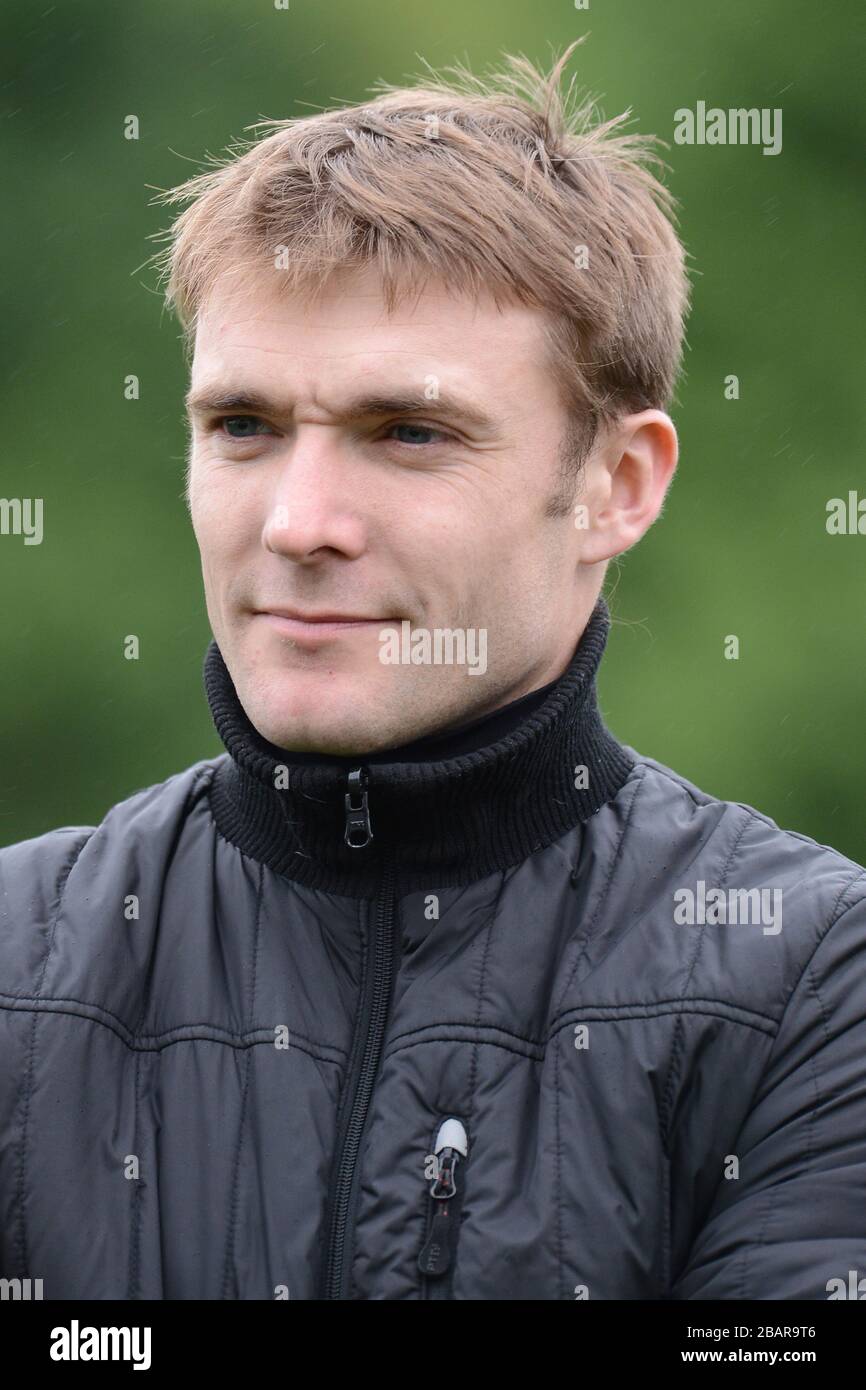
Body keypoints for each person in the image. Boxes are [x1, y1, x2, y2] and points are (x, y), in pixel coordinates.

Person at [1, 42, 864, 1301]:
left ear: (613, 486)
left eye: (407, 432)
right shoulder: (20, 962)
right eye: (241, 426)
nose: (298, 522)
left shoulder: (807, 981)